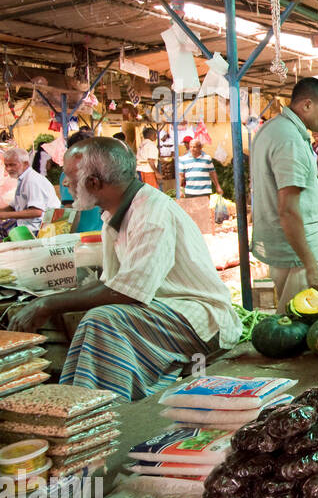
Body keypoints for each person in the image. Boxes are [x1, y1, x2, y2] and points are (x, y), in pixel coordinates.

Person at [7, 138, 241, 400]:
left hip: (202, 319)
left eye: (70, 177)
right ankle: (77, 406)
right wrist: (49, 303)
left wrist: (48, 304)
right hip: (163, 310)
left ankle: (100, 410)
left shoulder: (151, 212)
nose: (65, 184)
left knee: (103, 321)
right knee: (90, 317)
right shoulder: (114, 214)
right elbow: (112, 282)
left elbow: (128, 291)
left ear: (94, 183)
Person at [251, 77, 318, 313]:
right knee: (302, 330)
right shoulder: (290, 140)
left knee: (288, 322)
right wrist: (310, 266)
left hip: (288, 249)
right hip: (298, 254)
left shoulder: (273, 128)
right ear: (307, 105)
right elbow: (288, 209)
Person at [0, 145, 61, 235]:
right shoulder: (23, 179)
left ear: (26, 164)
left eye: (12, 165)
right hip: (30, 226)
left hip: (42, 229)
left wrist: (5, 215)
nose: (8, 169)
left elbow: (37, 212)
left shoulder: (32, 181)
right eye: (6, 165)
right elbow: (13, 206)